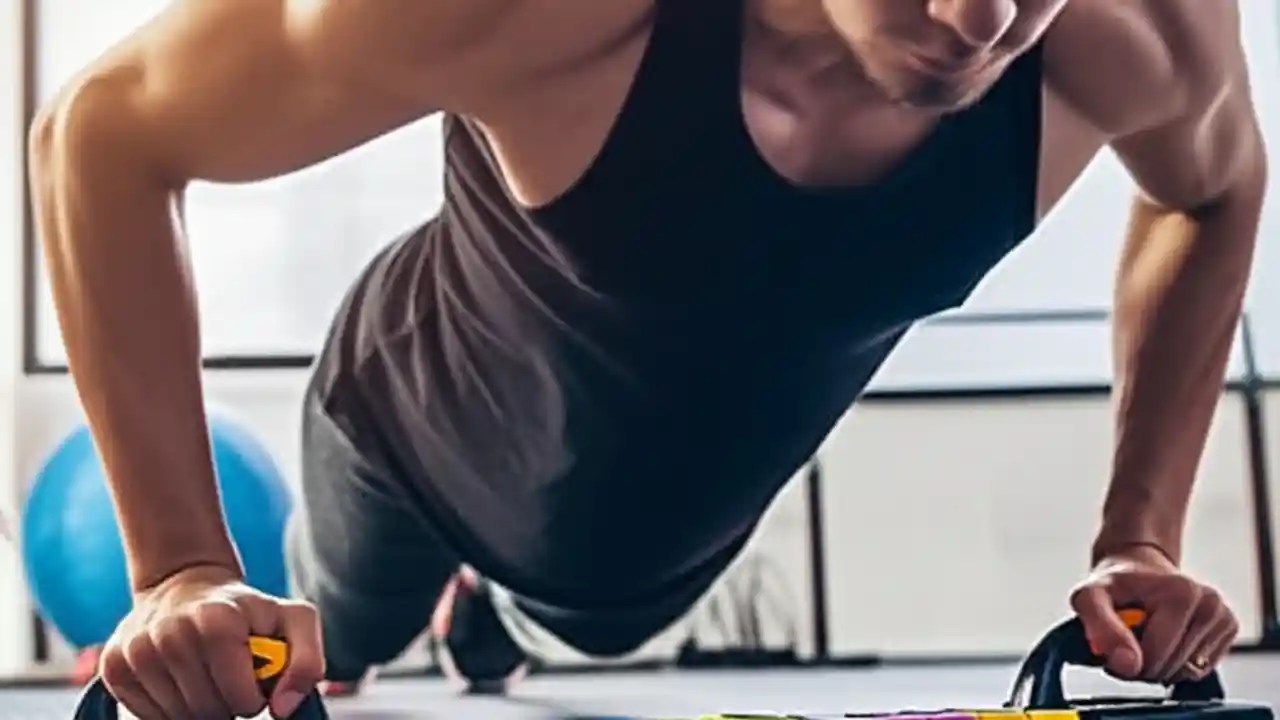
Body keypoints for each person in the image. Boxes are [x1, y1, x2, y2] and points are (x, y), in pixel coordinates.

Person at [28, 0, 1267, 717]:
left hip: (643, 553)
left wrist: (1138, 537)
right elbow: (101, 134)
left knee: (597, 612)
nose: (978, 21)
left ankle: (488, 610)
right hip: (405, 425)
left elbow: (1213, 192)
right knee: (336, 641)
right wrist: (181, 568)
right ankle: (411, 602)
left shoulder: (1131, 29)